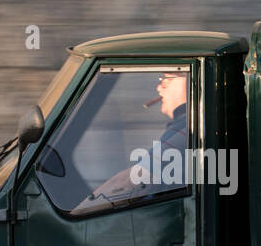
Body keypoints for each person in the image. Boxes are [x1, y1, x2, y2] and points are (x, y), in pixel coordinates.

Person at [77, 71, 188, 209]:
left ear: (191, 81)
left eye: (167, 79)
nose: (159, 88)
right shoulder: (186, 125)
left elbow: (133, 180)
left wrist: (79, 213)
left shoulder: (187, 129)